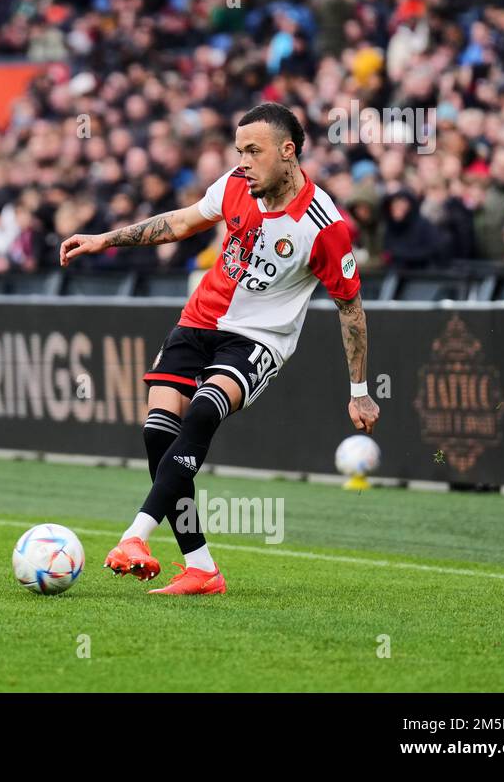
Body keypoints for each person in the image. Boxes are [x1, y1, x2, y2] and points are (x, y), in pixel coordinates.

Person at [60, 103, 381, 596]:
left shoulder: (323, 227)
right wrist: (106, 240)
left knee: (204, 411)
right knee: (156, 433)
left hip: (258, 339)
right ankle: (201, 568)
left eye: (254, 151)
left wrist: (359, 390)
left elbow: (351, 309)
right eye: (239, 151)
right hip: (200, 319)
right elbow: (181, 222)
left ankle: (134, 536)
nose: (244, 161)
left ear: (288, 152)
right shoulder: (234, 184)